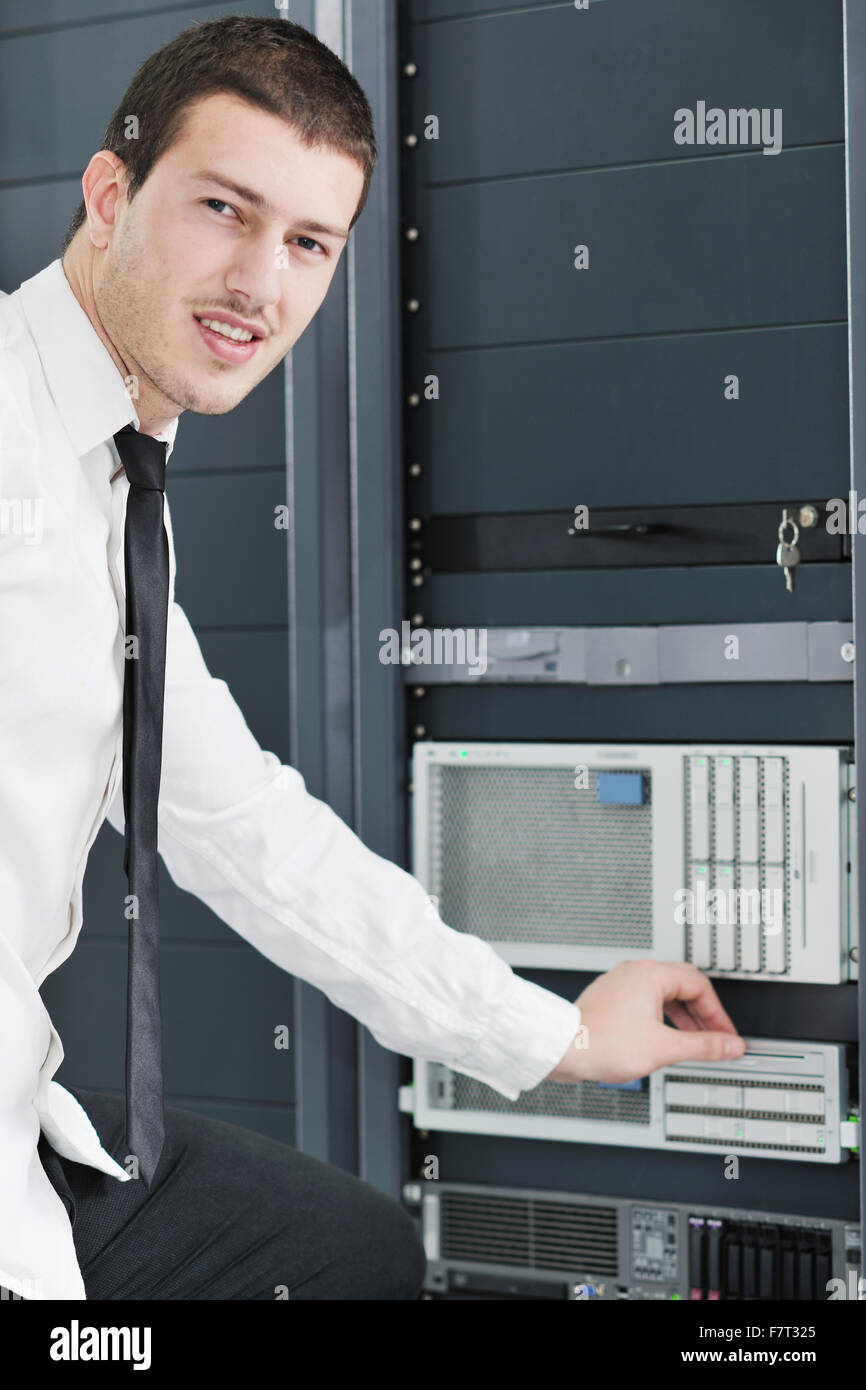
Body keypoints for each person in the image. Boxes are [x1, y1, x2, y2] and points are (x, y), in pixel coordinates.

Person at [0, 15, 745, 1302]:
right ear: (112, 193)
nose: (258, 284)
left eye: (306, 243)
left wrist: (554, 1034)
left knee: (342, 1245)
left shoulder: (107, 479)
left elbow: (241, 825)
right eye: (223, 209)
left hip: (23, 1118)